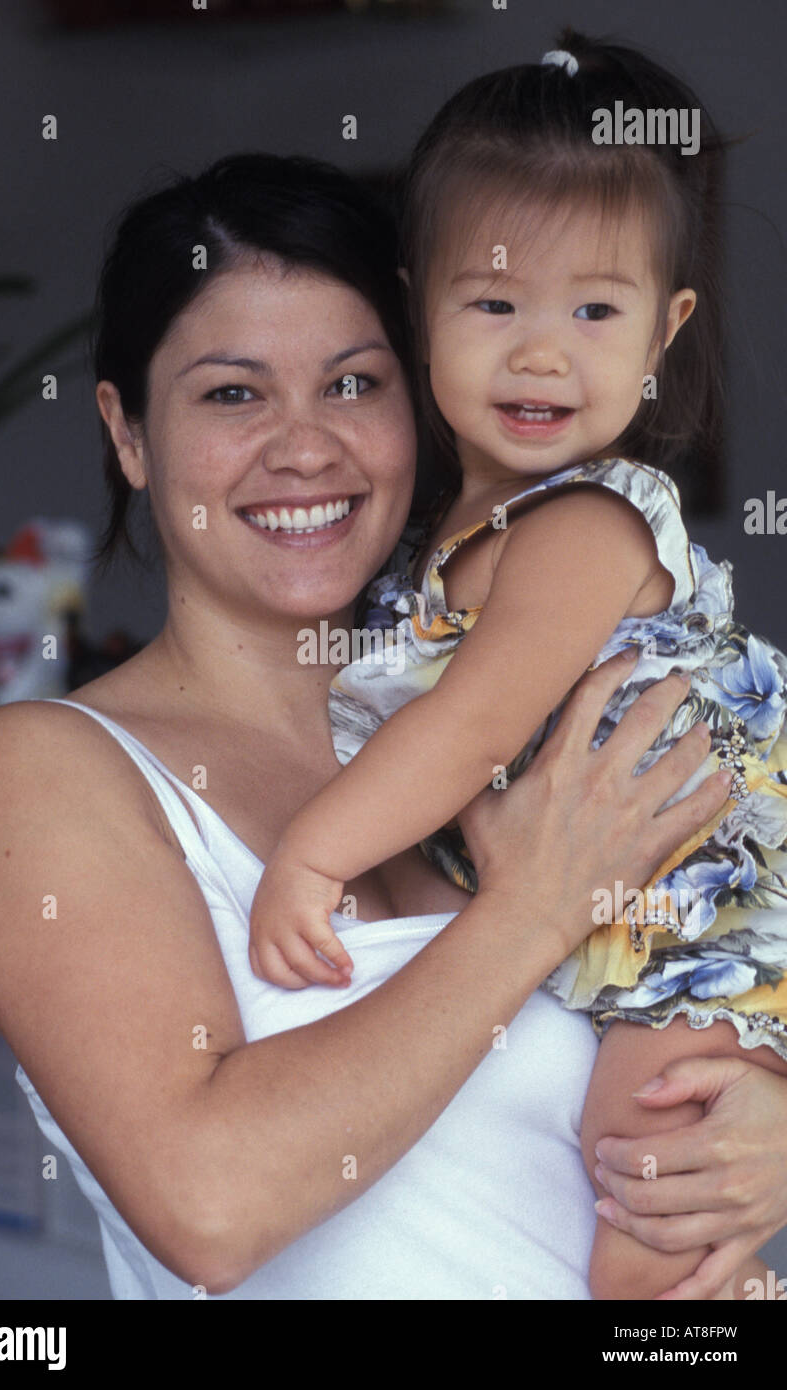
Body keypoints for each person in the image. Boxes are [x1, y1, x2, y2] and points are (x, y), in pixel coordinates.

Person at [0, 152, 787, 1301]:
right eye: (231, 392)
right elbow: (209, 1204)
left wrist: (760, 1133)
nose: (304, 446)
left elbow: (720, 939)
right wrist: (531, 909)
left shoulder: (532, 705)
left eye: (352, 383)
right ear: (128, 433)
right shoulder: (48, 772)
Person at [246, 35, 787, 1301]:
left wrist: (314, 853)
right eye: (492, 305)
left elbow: (474, 727)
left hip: (697, 921)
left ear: (666, 328)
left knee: (643, 1233)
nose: (540, 354)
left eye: (593, 311)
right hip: (608, 935)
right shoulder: (429, 551)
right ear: (415, 303)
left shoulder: (586, 524)